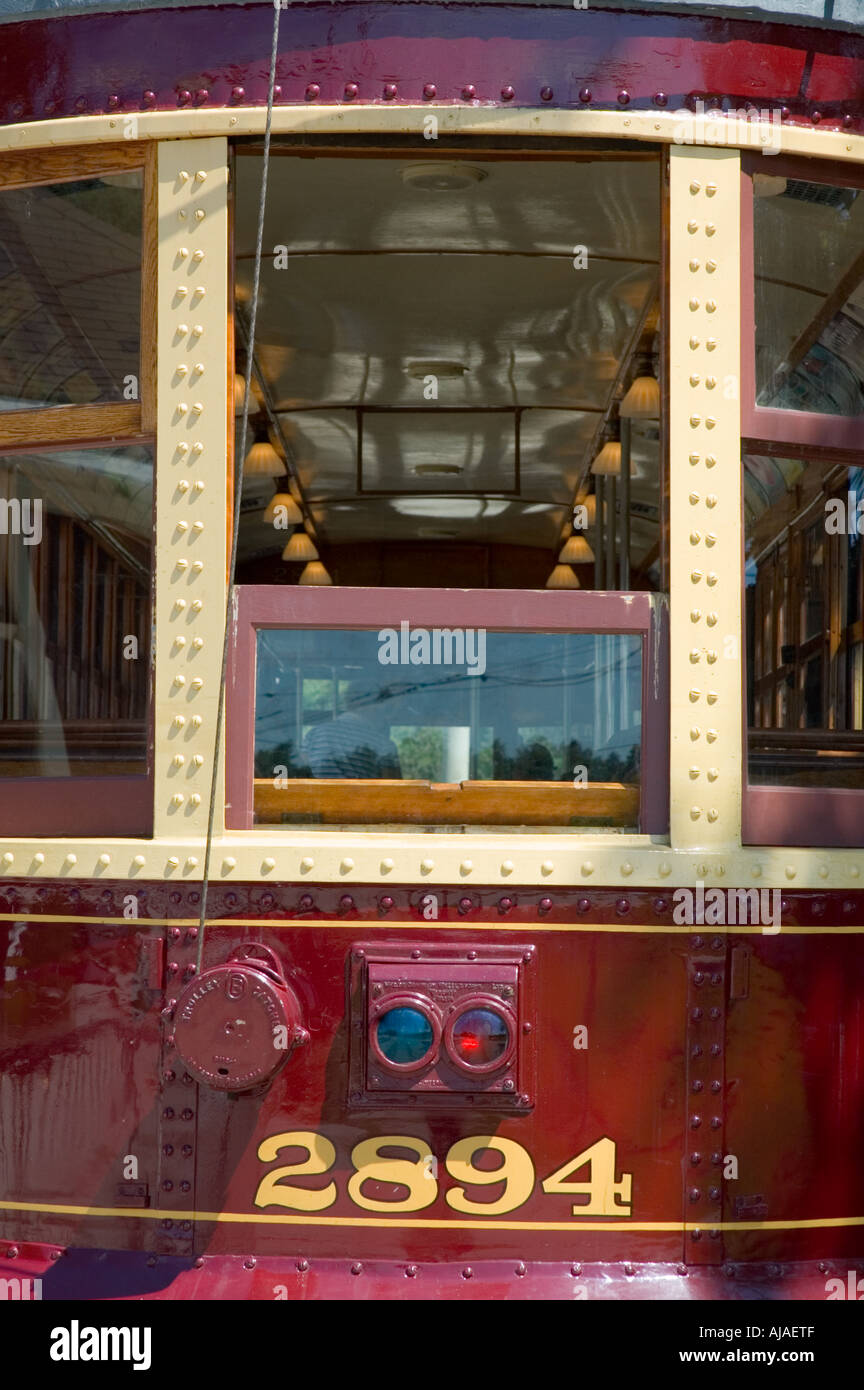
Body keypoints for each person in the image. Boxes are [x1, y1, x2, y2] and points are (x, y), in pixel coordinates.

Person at [302, 681, 402, 778]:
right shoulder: (384, 745)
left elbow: (301, 769)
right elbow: (396, 790)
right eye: (386, 708)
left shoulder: (314, 734)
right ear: (375, 706)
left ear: (347, 702)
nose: (387, 716)